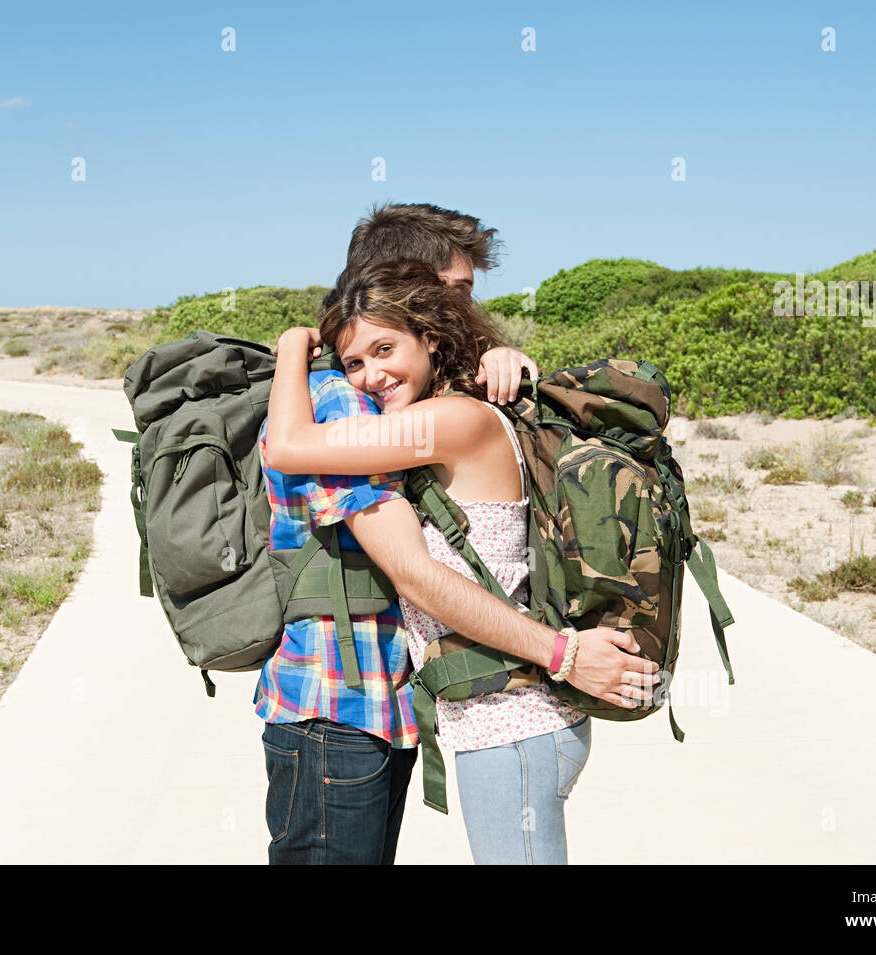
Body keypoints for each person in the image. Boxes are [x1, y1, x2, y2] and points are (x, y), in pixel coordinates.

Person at [264, 257, 661, 864]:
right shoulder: (453, 411)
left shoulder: (450, 420)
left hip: (514, 727)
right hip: (504, 726)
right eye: (354, 362)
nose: (370, 375)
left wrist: (292, 347)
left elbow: (291, 446)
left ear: (429, 337)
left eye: (385, 349)